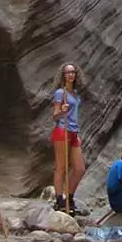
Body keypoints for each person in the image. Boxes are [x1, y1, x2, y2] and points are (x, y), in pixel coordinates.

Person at [51, 63, 86, 213]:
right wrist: (62, 111)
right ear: (63, 75)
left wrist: (77, 132)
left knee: (79, 168)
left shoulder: (75, 94)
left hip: (73, 132)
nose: (71, 75)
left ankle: (69, 197)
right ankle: (59, 199)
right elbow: (55, 116)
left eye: (73, 72)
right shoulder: (60, 93)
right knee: (61, 166)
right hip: (62, 130)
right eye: (67, 73)